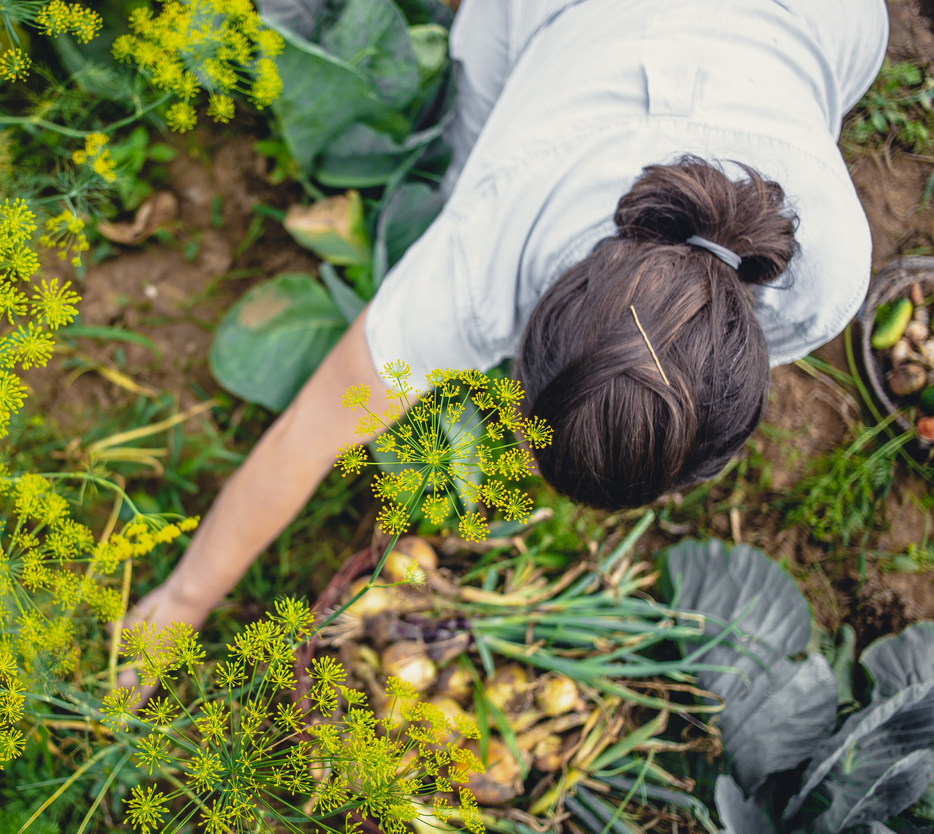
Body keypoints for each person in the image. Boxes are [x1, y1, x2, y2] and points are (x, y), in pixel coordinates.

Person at [124, 0, 888, 641]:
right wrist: (182, 603)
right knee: (472, 133)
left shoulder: (829, 272)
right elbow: (314, 427)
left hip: (829, 22)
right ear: (521, 335)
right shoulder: (483, 248)